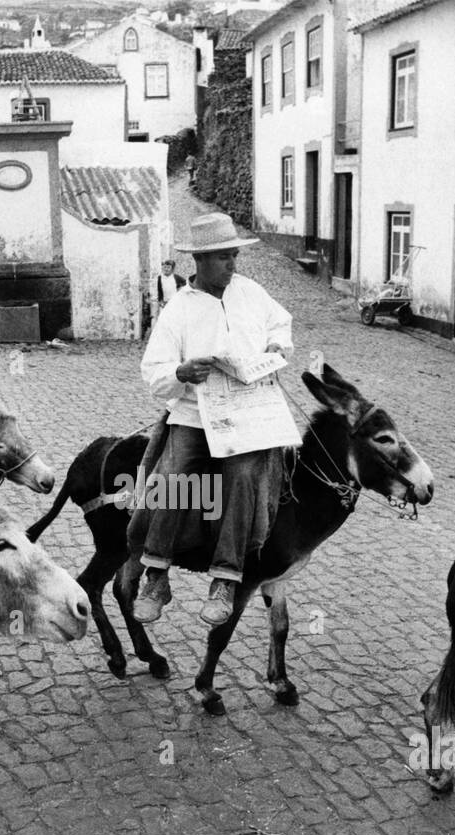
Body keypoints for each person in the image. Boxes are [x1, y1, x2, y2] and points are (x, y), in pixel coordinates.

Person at [133, 212, 294, 627]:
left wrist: (276, 345)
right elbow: (154, 371)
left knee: (243, 477)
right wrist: (181, 373)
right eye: (223, 258)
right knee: (172, 477)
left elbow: (281, 323)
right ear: (200, 262)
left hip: (249, 413)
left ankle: (224, 578)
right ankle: (156, 574)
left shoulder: (251, 293)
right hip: (193, 412)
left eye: (234, 256)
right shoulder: (178, 310)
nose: (231, 265)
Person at [153, 259, 186, 324]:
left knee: (174, 320)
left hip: (175, 303)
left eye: (168, 267)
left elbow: (184, 283)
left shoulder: (176, 277)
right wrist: (160, 301)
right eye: (165, 267)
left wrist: (179, 290)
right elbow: (159, 290)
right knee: (164, 321)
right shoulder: (160, 278)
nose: (166, 269)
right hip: (164, 304)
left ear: (172, 269)